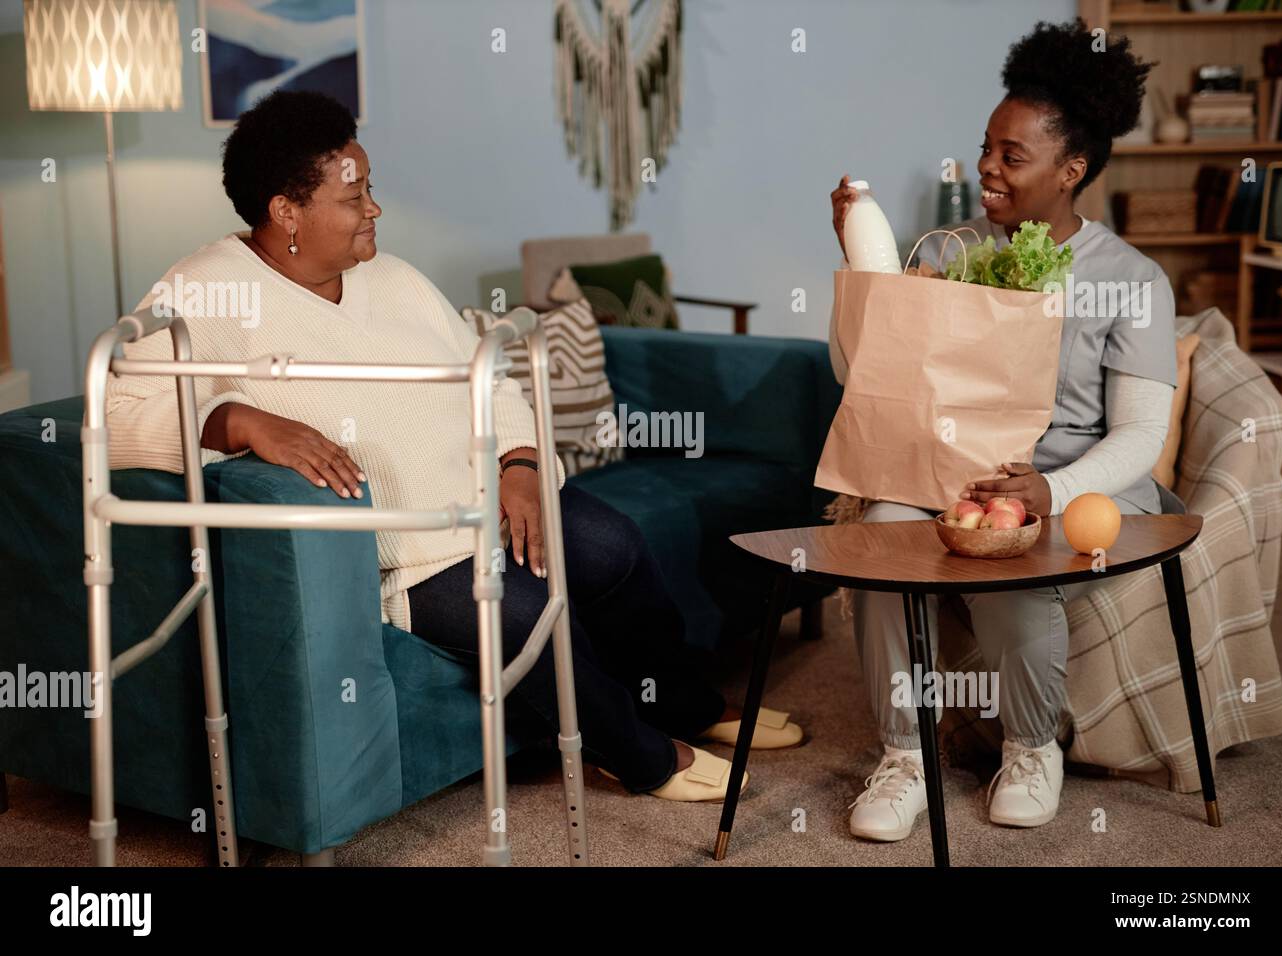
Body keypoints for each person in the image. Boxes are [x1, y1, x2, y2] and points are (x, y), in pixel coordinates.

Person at [105, 90, 804, 804]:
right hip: (410, 556)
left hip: (488, 502)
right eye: (353, 197)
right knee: (521, 610)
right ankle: (639, 755)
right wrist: (241, 420)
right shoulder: (205, 291)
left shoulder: (395, 278)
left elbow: (490, 369)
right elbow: (118, 406)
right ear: (287, 210)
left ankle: (681, 700)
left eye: (369, 187)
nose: (373, 208)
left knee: (615, 547)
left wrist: (521, 465)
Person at [827, 20, 1175, 840]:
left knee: (1016, 551)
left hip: (1071, 489)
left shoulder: (1133, 280)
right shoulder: (951, 254)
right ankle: (905, 755)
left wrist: (1047, 489)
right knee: (881, 532)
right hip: (951, 478)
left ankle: (1031, 747)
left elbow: (1142, 434)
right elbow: (865, 379)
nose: (985, 166)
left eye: (1011, 155)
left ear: (1072, 169)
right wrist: (854, 263)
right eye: (986, 145)